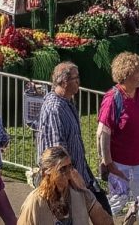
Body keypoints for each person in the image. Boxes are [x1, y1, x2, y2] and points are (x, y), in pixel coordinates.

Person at [96, 52, 139, 225]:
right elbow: (102, 133)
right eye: (138, 70)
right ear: (126, 74)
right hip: (120, 165)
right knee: (116, 203)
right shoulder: (112, 99)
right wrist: (108, 163)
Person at [34, 62, 95, 193]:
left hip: (78, 177)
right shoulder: (54, 109)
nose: (79, 81)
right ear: (64, 82)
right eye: (75, 78)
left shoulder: (67, 101)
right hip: (64, 185)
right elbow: (57, 154)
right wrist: (71, 182)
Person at [15, 146, 108, 225]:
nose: (68, 173)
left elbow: (105, 222)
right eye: (62, 169)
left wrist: (86, 192)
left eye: (70, 166)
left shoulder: (79, 194)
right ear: (46, 172)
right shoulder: (35, 202)